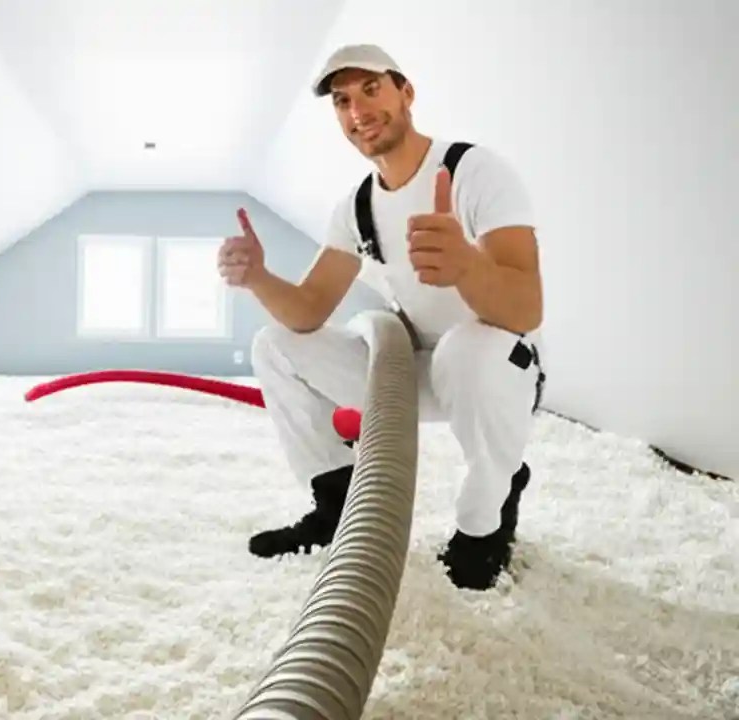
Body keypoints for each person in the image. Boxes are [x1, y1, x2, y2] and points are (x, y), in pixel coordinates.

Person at [218, 44, 545, 590]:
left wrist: (466, 264)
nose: (358, 111)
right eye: (343, 101)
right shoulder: (355, 207)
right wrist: (259, 279)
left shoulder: (474, 171)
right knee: (273, 345)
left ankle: (483, 523)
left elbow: (526, 308)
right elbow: (307, 311)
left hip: (496, 369)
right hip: (411, 374)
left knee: (470, 346)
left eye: (371, 90)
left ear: (406, 92)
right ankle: (335, 504)